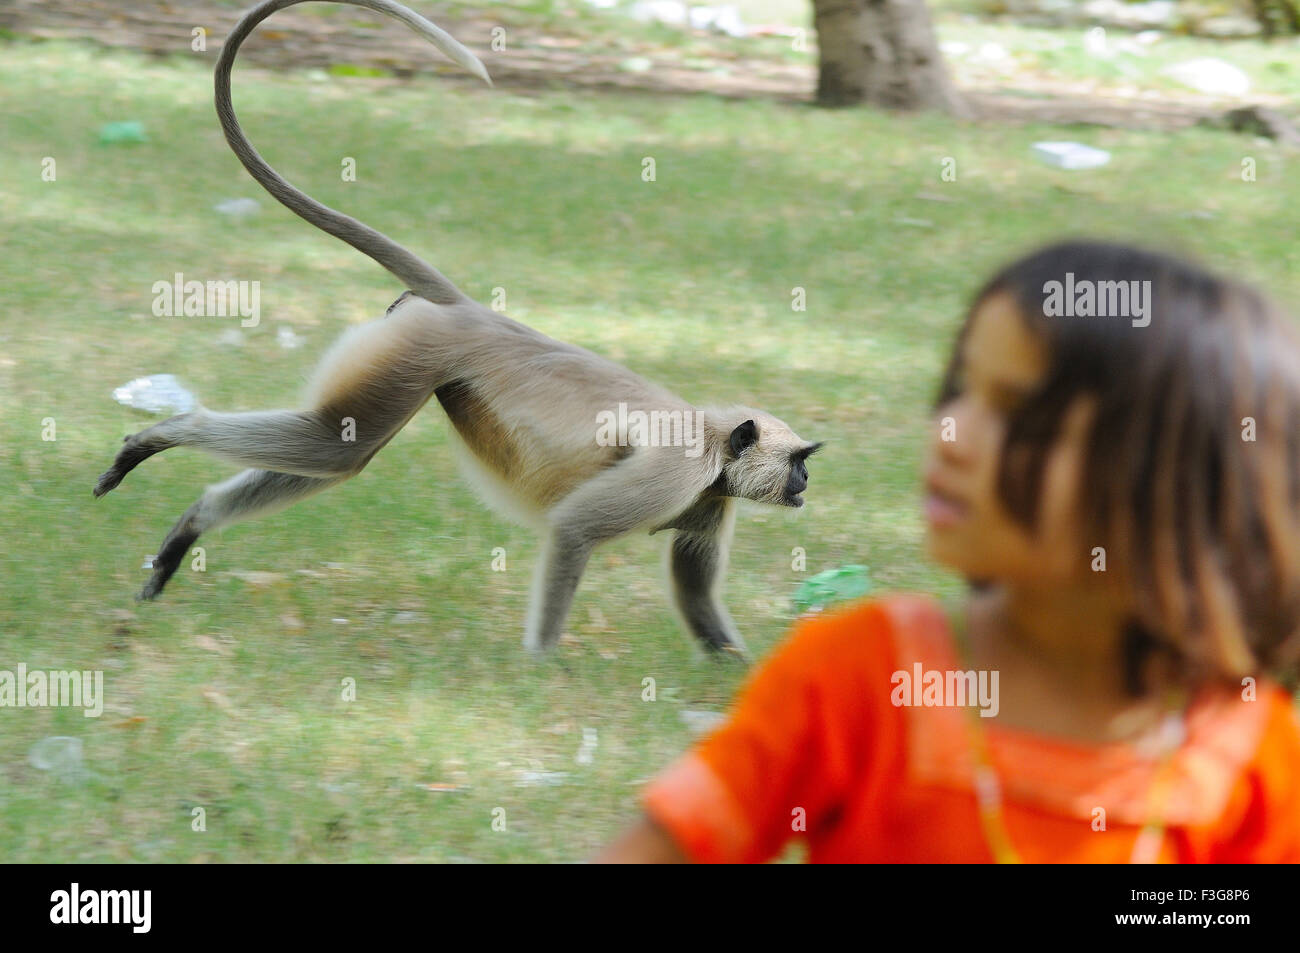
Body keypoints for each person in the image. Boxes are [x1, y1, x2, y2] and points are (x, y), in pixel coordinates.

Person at [595, 240, 1300, 863]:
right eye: (960, 389)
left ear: (1168, 487)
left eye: (1015, 410)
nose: (950, 431)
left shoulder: (1253, 759)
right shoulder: (858, 677)